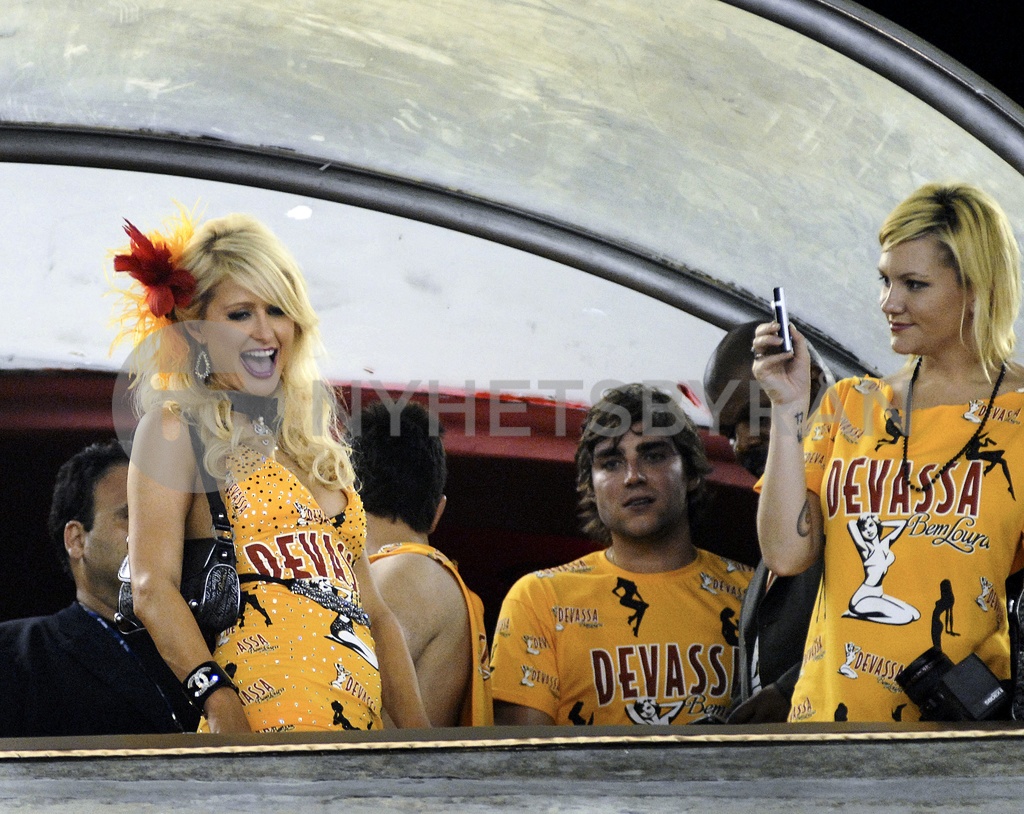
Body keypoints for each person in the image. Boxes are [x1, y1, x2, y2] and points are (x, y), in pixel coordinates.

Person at [111, 211, 429, 733]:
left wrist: (426, 749)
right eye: (240, 314)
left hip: (357, 746)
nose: (266, 332)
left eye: (278, 310)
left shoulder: (319, 449)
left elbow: (376, 614)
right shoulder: (175, 429)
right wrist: (220, 705)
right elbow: (150, 587)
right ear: (197, 332)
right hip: (256, 738)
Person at [753, 181, 1024, 722]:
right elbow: (786, 554)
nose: (888, 303)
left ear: (976, 287)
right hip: (827, 728)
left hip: (963, 741)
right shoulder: (849, 405)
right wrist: (786, 410)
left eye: (914, 284)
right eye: (885, 280)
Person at [490, 383, 752, 726]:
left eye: (654, 455)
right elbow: (522, 769)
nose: (633, 477)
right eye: (612, 463)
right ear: (591, 486)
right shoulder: (540, 599)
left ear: (689, 472)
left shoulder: (753, 593)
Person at [0, 440, 200, 737]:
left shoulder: (219, 641)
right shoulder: (15, 654)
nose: (156, 530)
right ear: (77, 540)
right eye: (133, 515)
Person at [702, 321, 830, 723]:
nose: (744, 441)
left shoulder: (863, 481)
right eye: (728, 431)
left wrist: (791, 691)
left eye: (755, 413)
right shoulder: (777, 524)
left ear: (803, 379)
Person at [351, 400, 493, 726]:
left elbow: (338, 699)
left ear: (346, 492)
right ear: (437, 512)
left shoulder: (402, 572)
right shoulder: (432, 576)